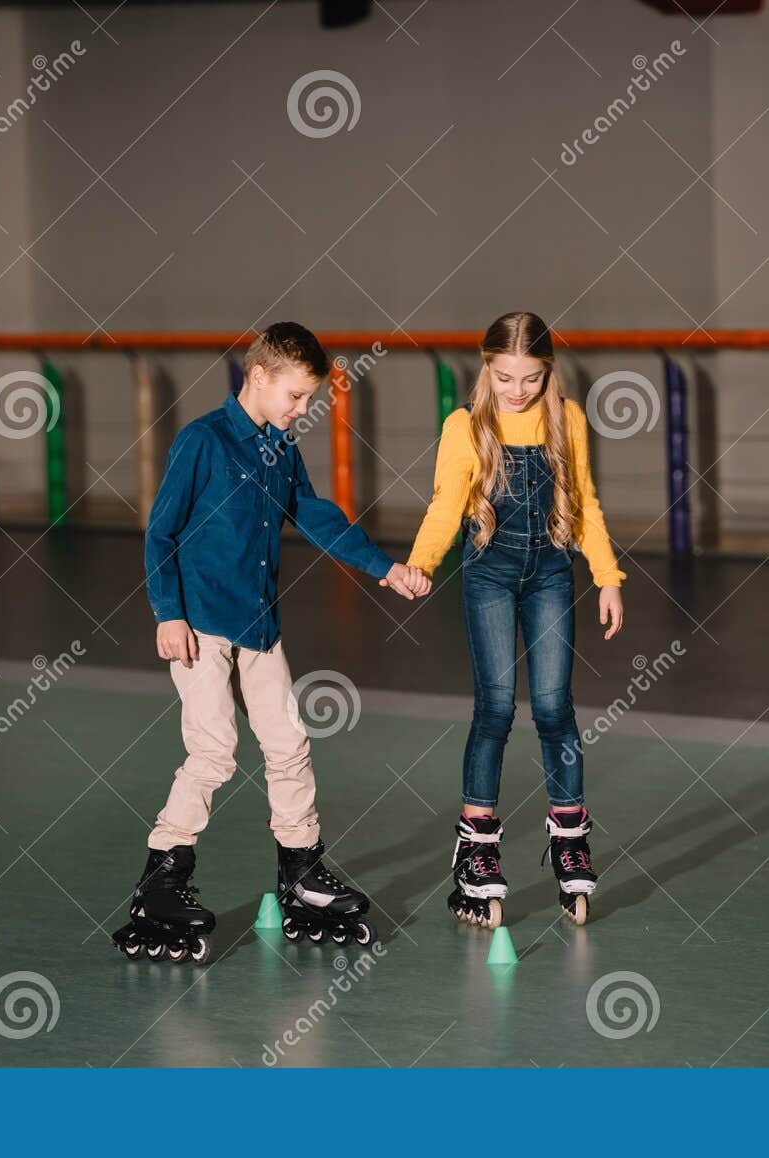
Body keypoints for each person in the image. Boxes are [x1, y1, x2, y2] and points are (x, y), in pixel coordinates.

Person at [111, 322, 430, 962]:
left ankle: (301, 873)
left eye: (308, 400)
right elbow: (161, 532)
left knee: (288, 742)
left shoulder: (282, 448)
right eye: (296, 396)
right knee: (214, 749)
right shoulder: (202, 441)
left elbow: (315, 516)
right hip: (199, 623)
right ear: (257, 377)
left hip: (259, 625)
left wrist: (386, 569)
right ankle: (160, 881)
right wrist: (167, 614)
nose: (301, 410)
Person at [407, 311, 624, 928]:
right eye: (505, 376)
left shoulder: (568, 420)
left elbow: (585, 504)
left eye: (530, 378)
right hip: (489, 576)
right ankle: (476, 848)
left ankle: (571, 834)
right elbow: (447, 504)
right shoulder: (466, 426)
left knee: (555, 709)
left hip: (553, 573)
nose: (517, 390)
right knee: (496, 708)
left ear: (547, 372)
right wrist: (422, 562)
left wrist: (607, 577)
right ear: (487, 368)